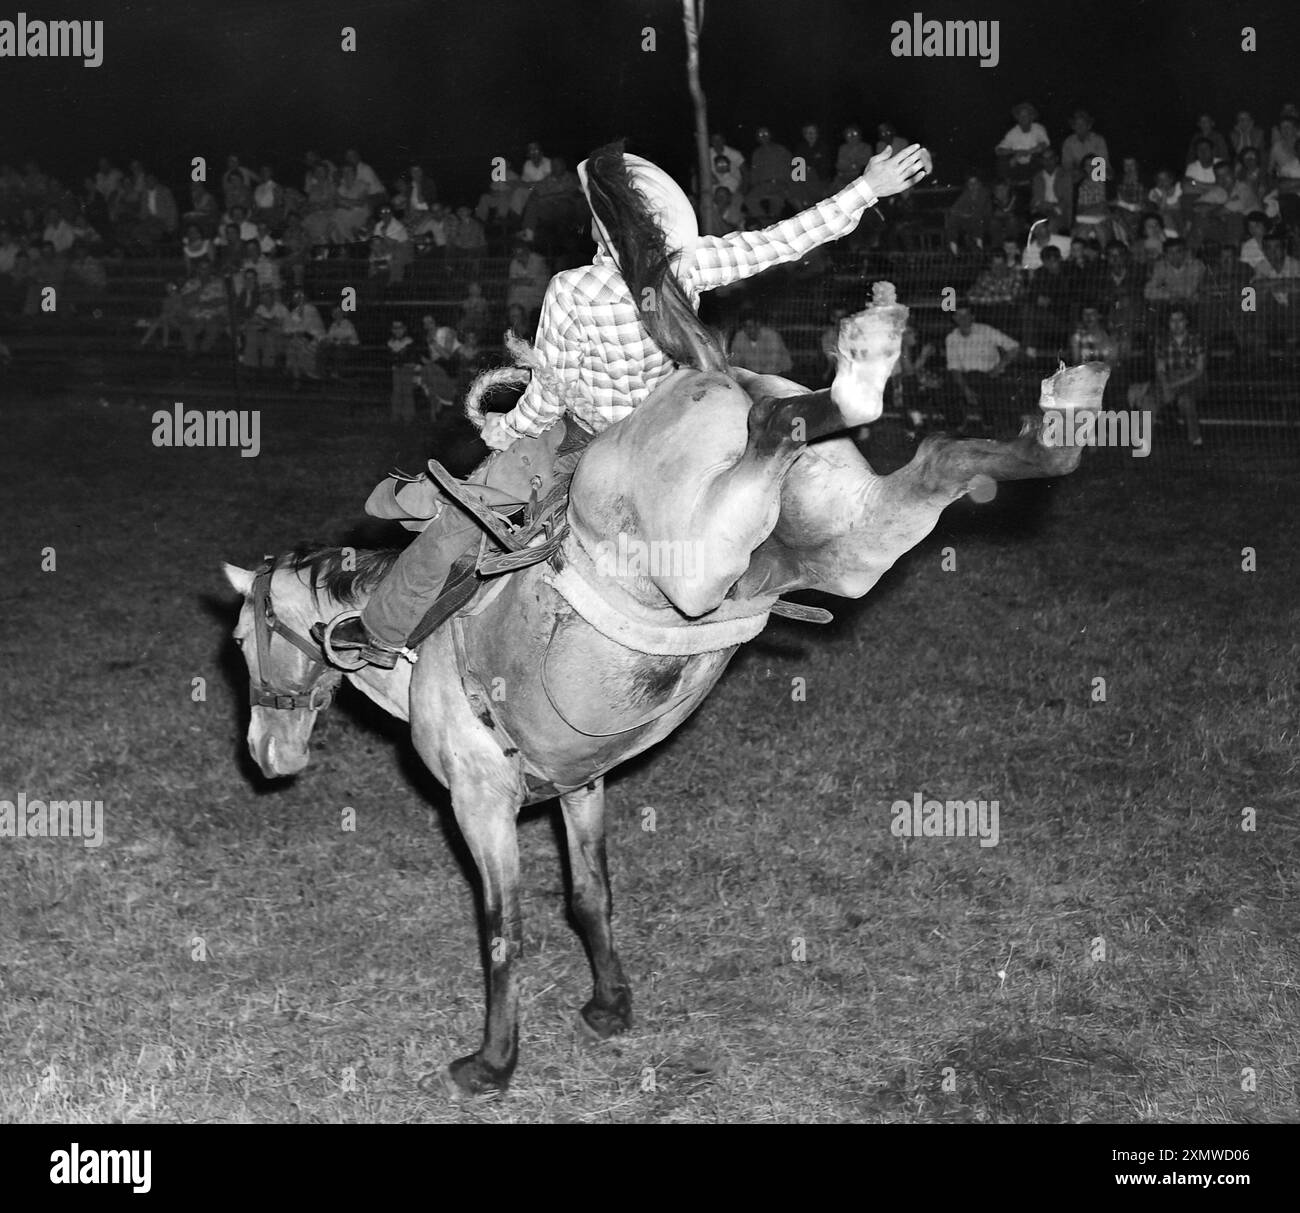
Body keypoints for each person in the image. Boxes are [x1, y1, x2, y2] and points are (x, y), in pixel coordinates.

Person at [320, 136, 931, 666]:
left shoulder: (571, 289)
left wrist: (502, 431)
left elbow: (550, 395)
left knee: (458, 521)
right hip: (677, 424)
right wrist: (866, 188)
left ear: (602, 223)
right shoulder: (684, 265)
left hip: (590, 439)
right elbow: (779, 242)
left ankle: (378, 633)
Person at [944, 305, 1019, 432]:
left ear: (973, 317)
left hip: (988, 376)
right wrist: (966, 389)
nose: (963, 318)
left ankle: (989, 425)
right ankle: (958, 426)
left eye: (966, 314)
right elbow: (954, 367)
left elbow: (1014, 347)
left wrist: (999, 367)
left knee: (989, 389)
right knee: (946, 389)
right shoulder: (951, 338)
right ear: (954, 318)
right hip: (965, 378)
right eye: (959, 315)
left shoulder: (986, 331)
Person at [1153, 307, 1205, 446]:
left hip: (1191, 380)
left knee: (1185, 400)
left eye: (1180, 320)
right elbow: (1160, 369)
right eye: (1172, 320)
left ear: (1186, 321)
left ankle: (1195, 438)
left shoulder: (1196, 339)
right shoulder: (1162, 341)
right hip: (1170, 378)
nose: (1176, 324)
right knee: (1150, 401)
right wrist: (1165, 386)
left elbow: (1198, 371)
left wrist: (1172, 386)